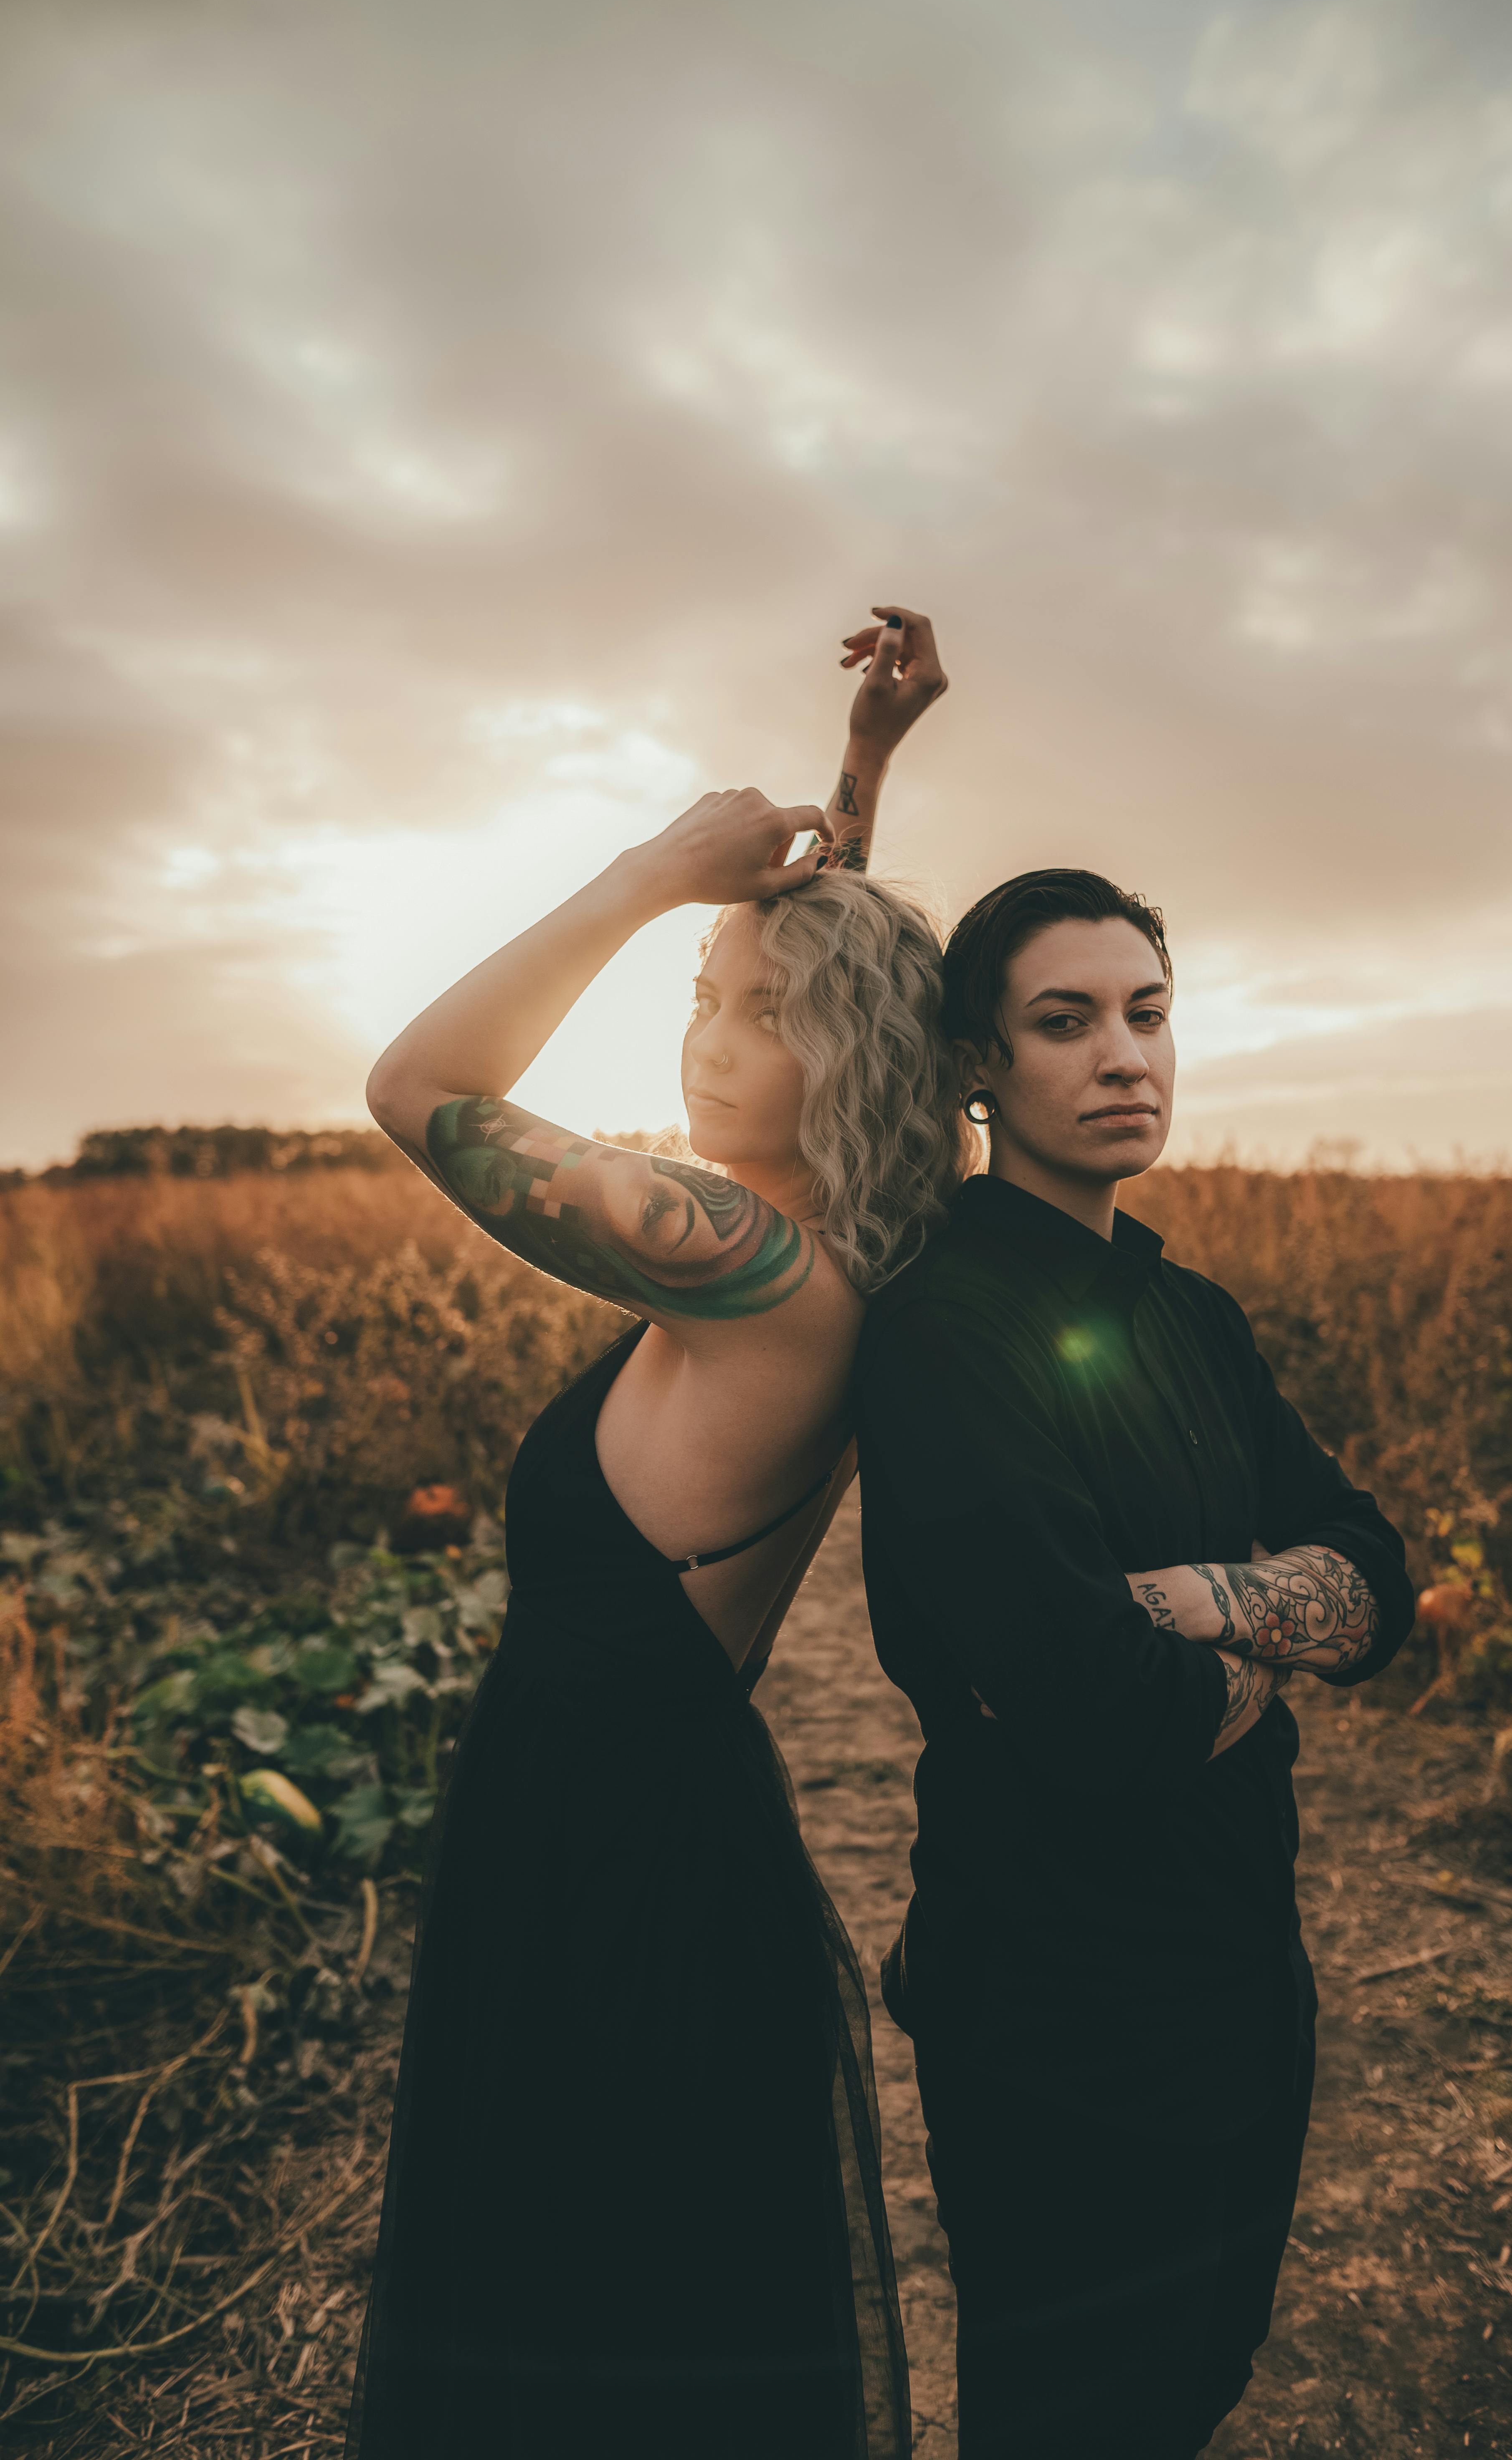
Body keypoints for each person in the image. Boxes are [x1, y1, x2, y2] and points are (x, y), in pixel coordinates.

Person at [344, 608, 968, 2460]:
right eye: (701, 994)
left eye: (765, 1016)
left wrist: (642, 874)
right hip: (629, 1808)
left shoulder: (748, 1266)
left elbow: (412, 1089)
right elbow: (826, 958)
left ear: (845, 1050)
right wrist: (861, 770)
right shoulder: (839, 1239)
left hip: (606, 1841)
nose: (711, 1037)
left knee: (581, 2306)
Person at [851, 855, 1417, 2459]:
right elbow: (1096, 1712)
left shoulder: (1195, 1316)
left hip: (1243, 1963)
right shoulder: (942, 1324)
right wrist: (1268, 1631)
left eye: (1149, 1014)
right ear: (979, 1065)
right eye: (1067, 1019)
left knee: (1198, 2384)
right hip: (1057, 2008)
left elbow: (1381, 1581)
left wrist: (1201, 1603)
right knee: (1070, 2420)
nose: (1125, 1055)